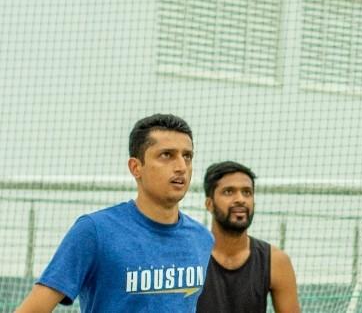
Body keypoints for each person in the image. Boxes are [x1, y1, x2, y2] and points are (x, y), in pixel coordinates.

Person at [14, 114, 213, 312]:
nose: (181, 167)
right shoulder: (95, 231)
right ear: (136, 167)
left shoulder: (203, 239)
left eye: (187, 156)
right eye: (166, 155)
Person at [196, 161, 301, 313]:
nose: (240, 199)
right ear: (209, 204)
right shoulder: (189, 256)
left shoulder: (276, 261)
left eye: (247, 192)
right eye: (228, 192)